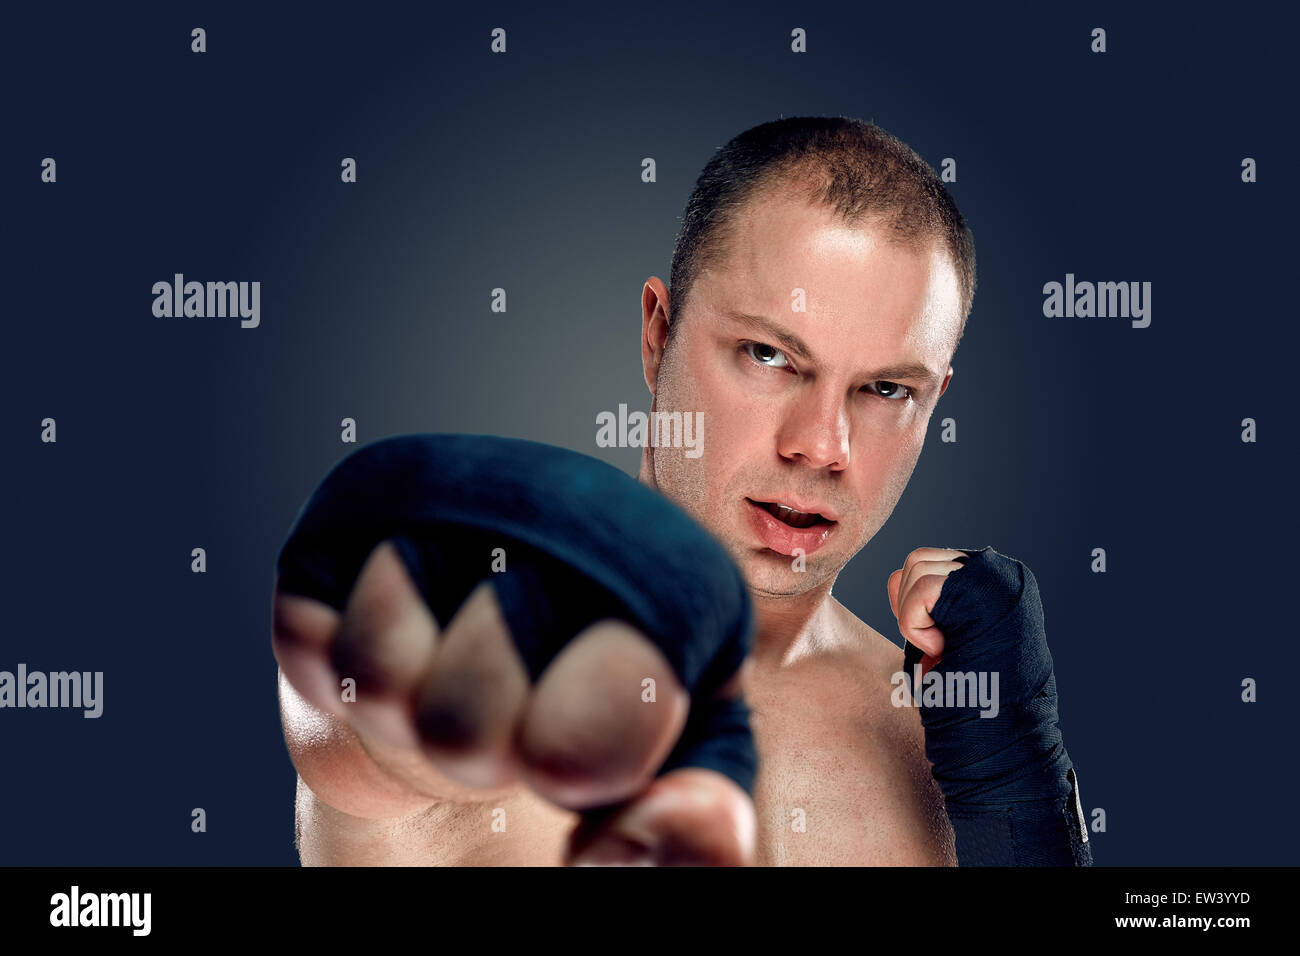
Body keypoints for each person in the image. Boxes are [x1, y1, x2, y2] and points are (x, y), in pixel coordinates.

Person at [271, 116, 1088, 866]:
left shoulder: (951, 744)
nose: (821, 446)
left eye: (884, 390)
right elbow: (354, 719)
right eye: (770, 355)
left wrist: (1022, 795)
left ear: (934, 400)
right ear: (658, 334)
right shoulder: (492, 642)